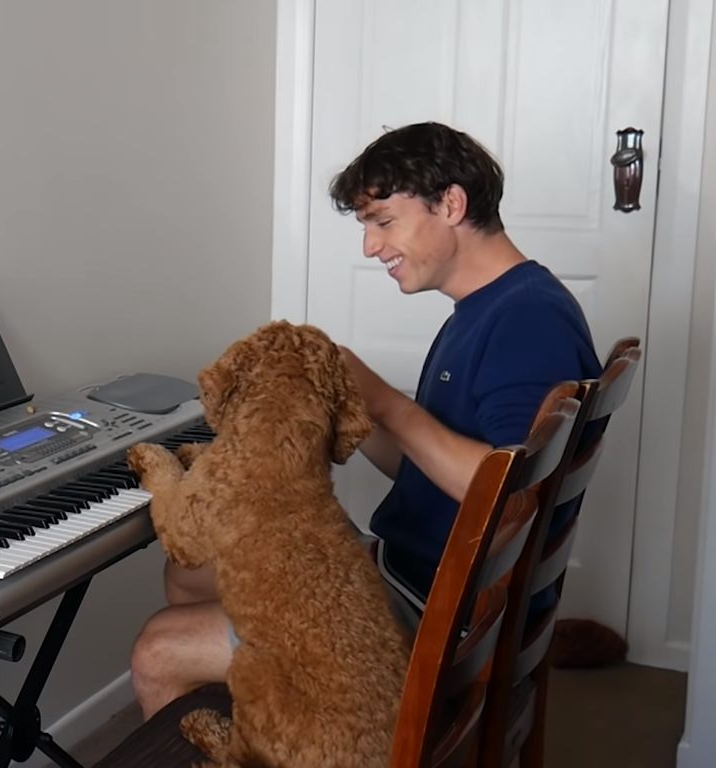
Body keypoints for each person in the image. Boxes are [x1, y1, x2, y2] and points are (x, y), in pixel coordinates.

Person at [128, 121, 602, 721]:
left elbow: (512, 496)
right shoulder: (487, 308)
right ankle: (288, 728)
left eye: (383, 222)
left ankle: (308, 719)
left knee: (158, 649)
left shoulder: (527, 322)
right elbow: (429, 468)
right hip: (409, 574)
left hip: (433, 617)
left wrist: (384, 401)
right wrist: (333, 406)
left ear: (451, 204)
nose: (371, 247)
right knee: (192, 569)